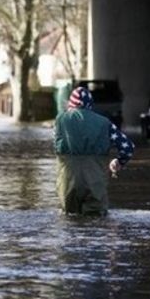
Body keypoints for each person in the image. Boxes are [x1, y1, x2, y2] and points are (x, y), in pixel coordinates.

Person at [54, 86, 134, 216]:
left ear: (71, 104)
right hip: (95, 183)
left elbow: (56, 147)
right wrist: (119, 162)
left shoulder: (60, 120)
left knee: (69, 221)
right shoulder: (104, 123)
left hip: (67, 183)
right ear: (90, 104)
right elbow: (128, 148)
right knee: (95, 221)